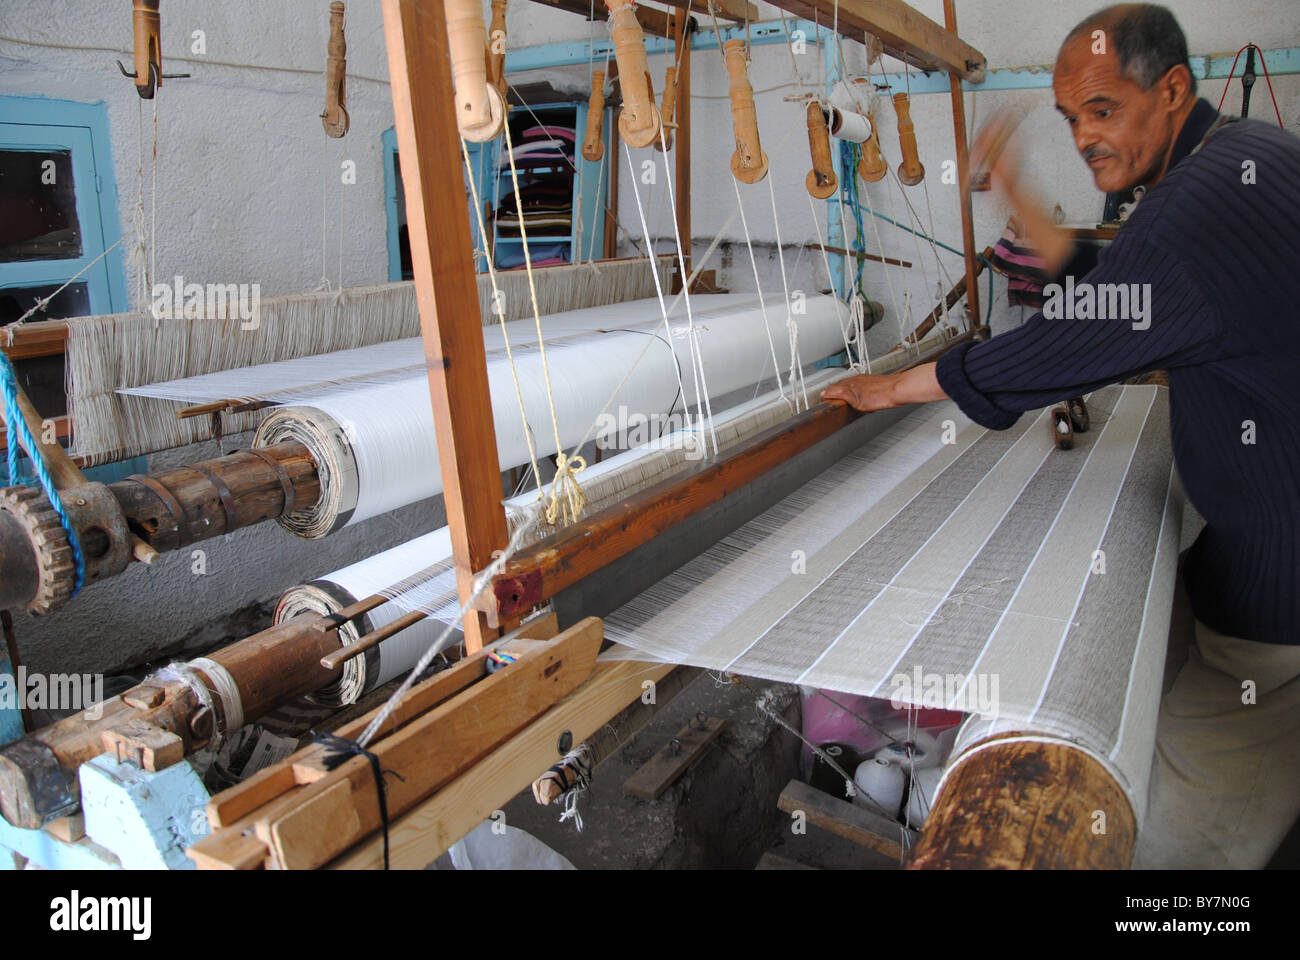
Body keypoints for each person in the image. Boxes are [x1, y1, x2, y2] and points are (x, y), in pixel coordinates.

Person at [822, 3, 1300, 868]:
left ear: (1174, 90)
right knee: (1149, 673)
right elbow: (1111, 291)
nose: (1084, 136)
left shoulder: (1197, 208)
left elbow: (1068, 344)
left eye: (1104, 110)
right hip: (1249, 558)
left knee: (1179, 849)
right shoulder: (1246, 158)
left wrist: (893, 387)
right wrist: (1012, 188)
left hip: (1285, 608)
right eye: (1070, 117)